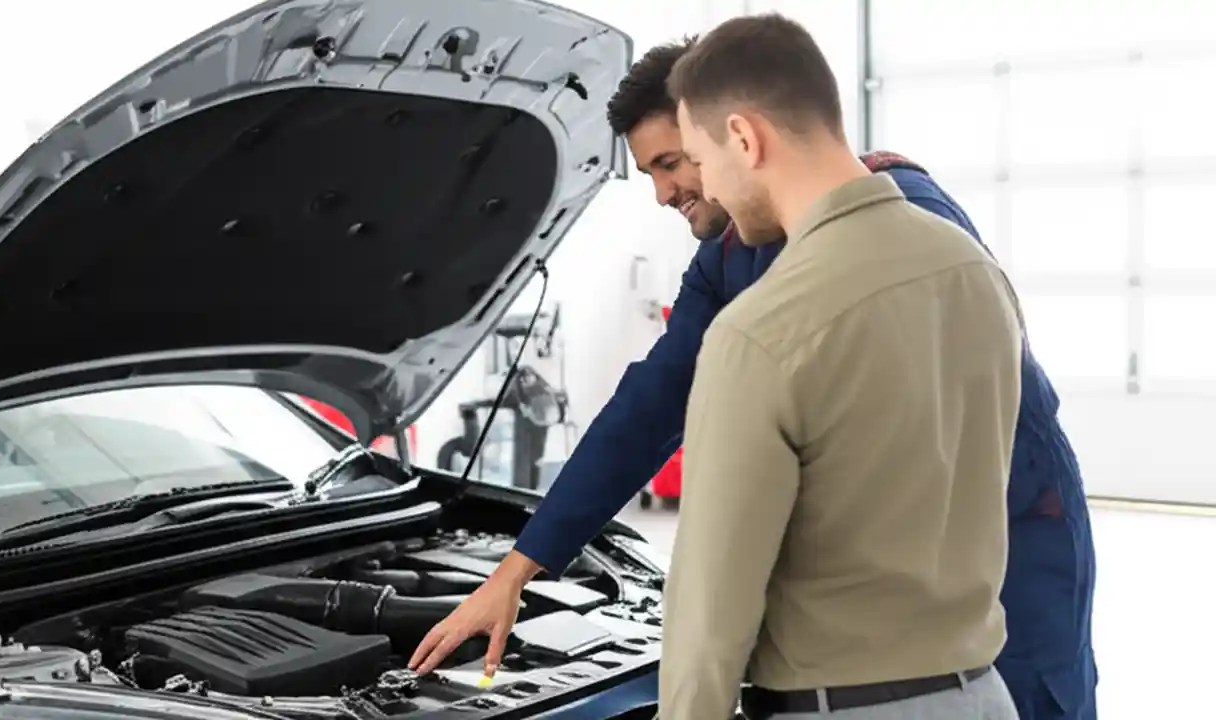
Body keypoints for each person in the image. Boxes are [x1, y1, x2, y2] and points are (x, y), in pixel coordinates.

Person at [409, 30, 1096, 720]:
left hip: (1016, 521)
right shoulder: (733, 257)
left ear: (736, 134)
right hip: (904, 605)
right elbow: (649, 405)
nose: (667, 192)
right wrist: (521, 567)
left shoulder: (912, 220)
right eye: (651, 172)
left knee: (1038, 695)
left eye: (679, 160)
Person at [660, 13, 1028, 718]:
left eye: (701, 162)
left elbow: (711, 616)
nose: (707, 188)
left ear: (744, 137)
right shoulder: (975, 272)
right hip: (984, 696)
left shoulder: (761, 332)